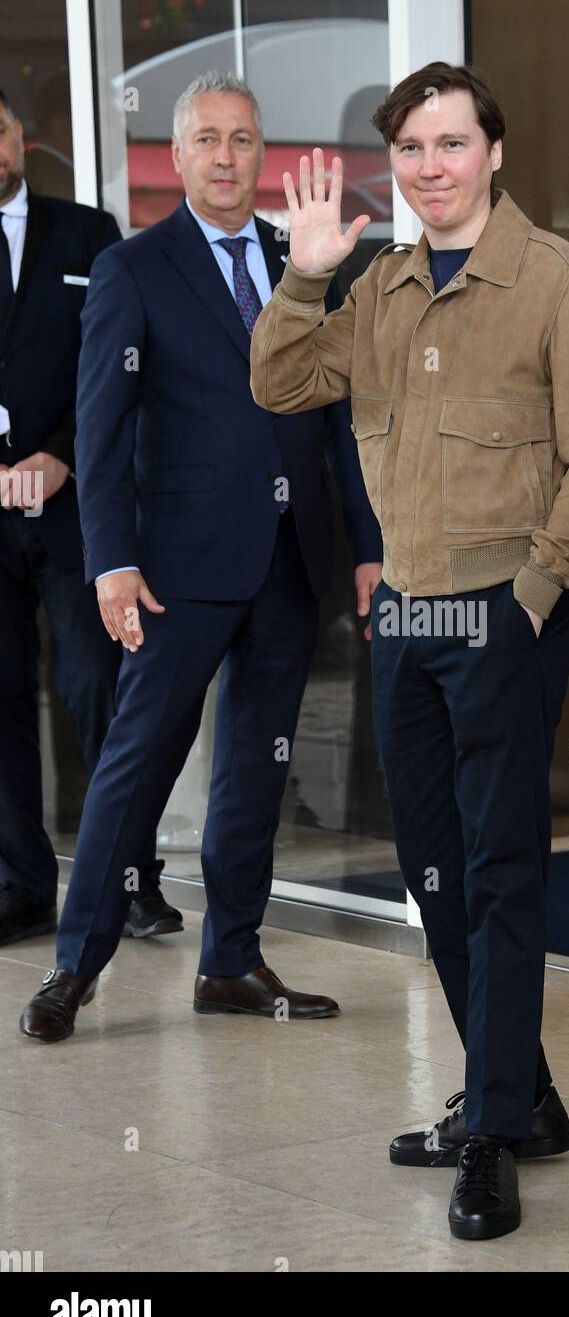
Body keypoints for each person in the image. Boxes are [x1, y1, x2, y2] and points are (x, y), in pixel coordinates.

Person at [250, 62, 569, 1240]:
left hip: (499, 618)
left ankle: (489, 1137)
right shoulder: (379, 289)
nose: (430, 166)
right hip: (409, 622)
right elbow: (276, 383)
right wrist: (308, 269)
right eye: (411, 148)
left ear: (494, 152)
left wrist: (528, 595)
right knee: (433, 874)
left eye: (450, 143)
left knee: (498, 870)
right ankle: (522, 1092)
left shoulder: (556, 283)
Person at [18, 71, 382, 1042]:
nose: (226, 157)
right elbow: (97, 436)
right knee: (134, 767)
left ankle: (230, 960)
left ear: (261, 155)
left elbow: (338, 420)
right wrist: (111, 561)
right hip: (175, 569)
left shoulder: (298, 261)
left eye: (243, 139)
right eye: (207, 140)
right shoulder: (132, 268)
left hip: (289, 560)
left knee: (255, 773)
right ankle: (74, 966)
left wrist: (368, 546)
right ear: (176, 157)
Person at [0, 86, 176, 949]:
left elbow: (119, 362)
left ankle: (132, 880)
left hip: (76, 510)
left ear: (19, 134)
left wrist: (62, 452)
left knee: (100, 688)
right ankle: (20, 886)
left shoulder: (89, 232)